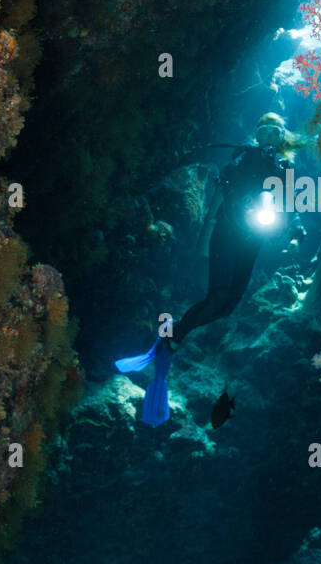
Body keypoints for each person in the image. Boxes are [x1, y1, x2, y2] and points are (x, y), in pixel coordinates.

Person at [115, 113, 295, 426]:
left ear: (282, 136)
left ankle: (170, 332)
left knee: (227, 308)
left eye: (274, 131)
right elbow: (216, 203)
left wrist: (293, 232)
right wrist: (204, 239)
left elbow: (290, 206)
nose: (268, 137)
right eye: (263, 130)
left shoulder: (286, 169)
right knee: (216, 297)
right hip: (226, 234)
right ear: (256, 133)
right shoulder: (240, 160)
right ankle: (171, 339)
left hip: (252, 241)